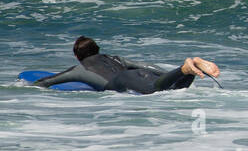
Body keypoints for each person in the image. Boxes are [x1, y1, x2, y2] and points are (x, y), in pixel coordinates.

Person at [33, 36, 219, 92]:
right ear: (97, 49)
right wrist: (165, 73)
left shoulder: (80, 68)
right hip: (140, 74)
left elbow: (48, 81)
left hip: (124, 81)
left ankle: (185, 68)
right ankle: (189, 70)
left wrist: (24, 87)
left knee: (154, 89)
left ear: (76, 55)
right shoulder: (115, 59)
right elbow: (144, 65)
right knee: (176, 88)